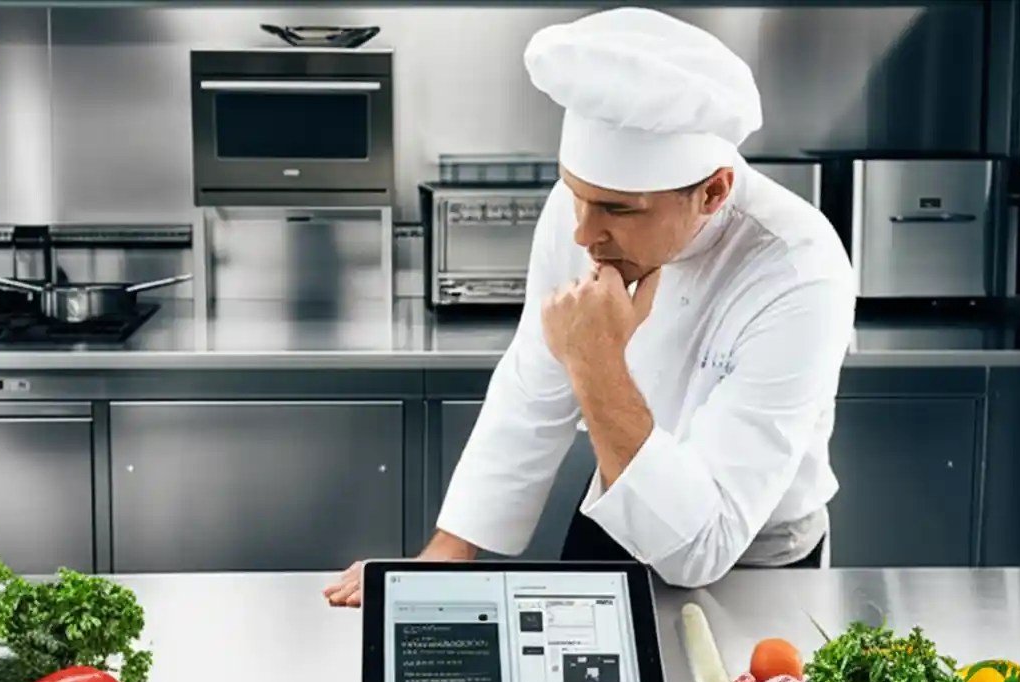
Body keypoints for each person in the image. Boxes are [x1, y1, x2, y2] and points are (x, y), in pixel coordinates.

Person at [324, 7, 855, 606]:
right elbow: (535, 377)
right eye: (576, 195)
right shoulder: (583, 210)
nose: (583, 235)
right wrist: (449, 552)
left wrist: (597, 363)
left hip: (754, 557)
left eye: (617, 209)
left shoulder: (796, 268)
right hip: (617, 506)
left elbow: (704, 545)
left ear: (713, 191)